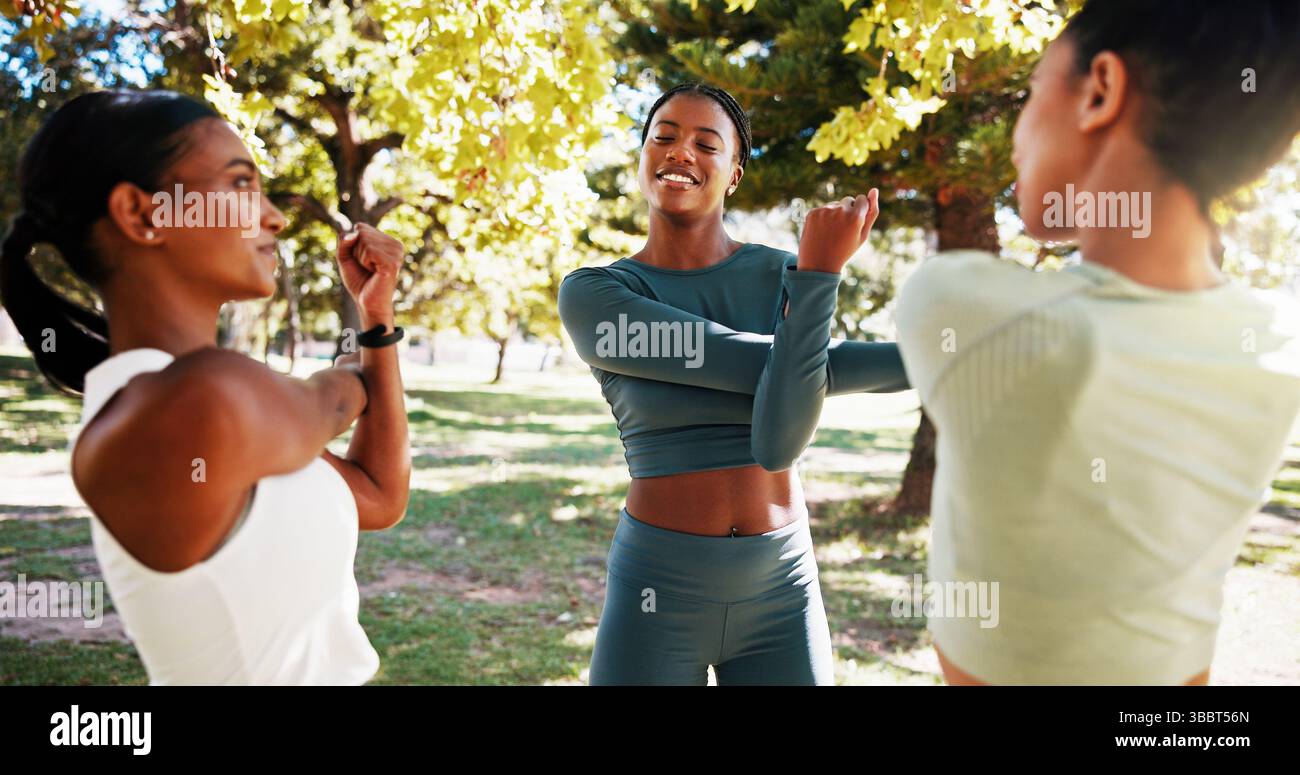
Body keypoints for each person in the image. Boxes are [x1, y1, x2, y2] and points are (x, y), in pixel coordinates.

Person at [893, 0, 1300, 684]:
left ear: (1101, 91)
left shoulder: (959, 304)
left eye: (1029, 94)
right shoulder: (1275, 351)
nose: (1017, 133)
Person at [0, 90, 412, 684]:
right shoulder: (194, 406)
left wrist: (376, 321)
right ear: (143, 215)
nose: (272, 215)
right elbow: (332, 399)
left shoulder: (203, 403)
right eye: (240, 184)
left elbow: (377, 495)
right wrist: (351, 380)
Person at [558, 82, 910, 685]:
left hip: (782, 586)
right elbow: (772, 370)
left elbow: (781, 438)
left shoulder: (780, 273)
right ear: (642, 157)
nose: (679, 153)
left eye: (705, 142)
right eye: (663, 137)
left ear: (734, 174)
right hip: (658, 587)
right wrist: (820, 280)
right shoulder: (596, 296)